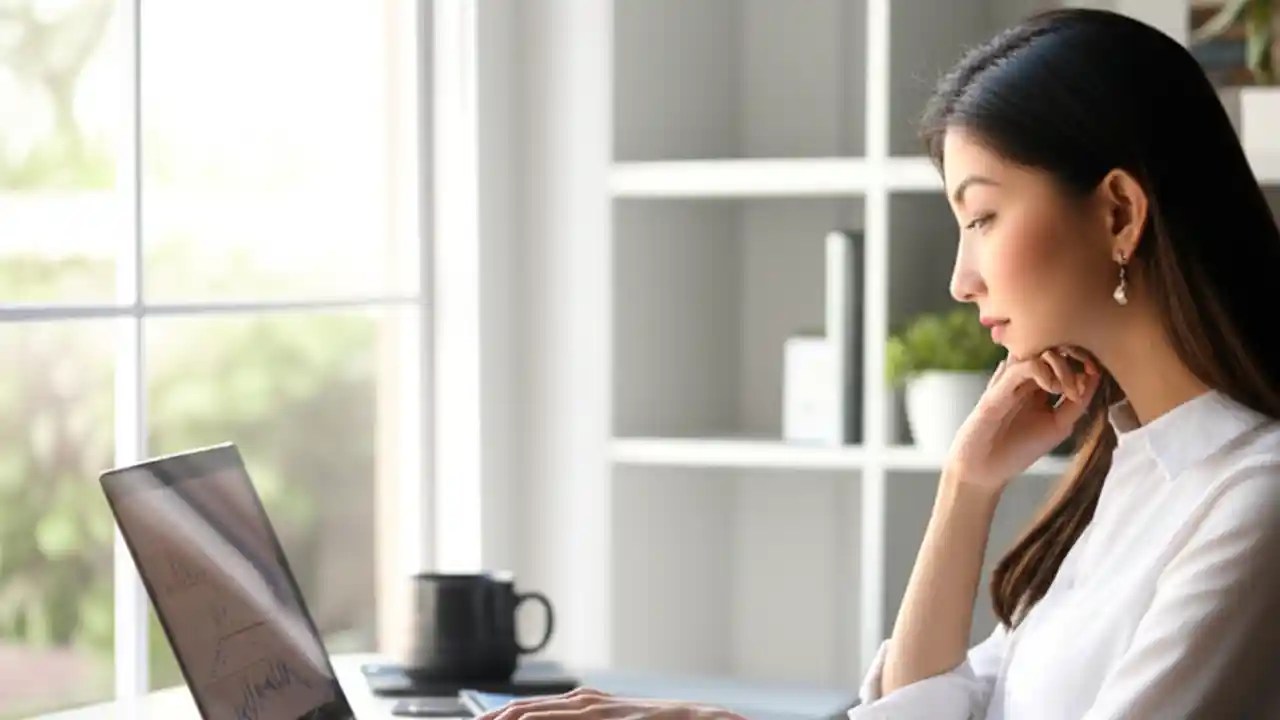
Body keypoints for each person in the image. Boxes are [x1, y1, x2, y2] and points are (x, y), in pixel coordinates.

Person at [480, 8, 1280, 720]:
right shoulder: (1133, 473)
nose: (961, 280)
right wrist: (966, 486)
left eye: (983, 216)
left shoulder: (1253, 501)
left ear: (1118, 211)